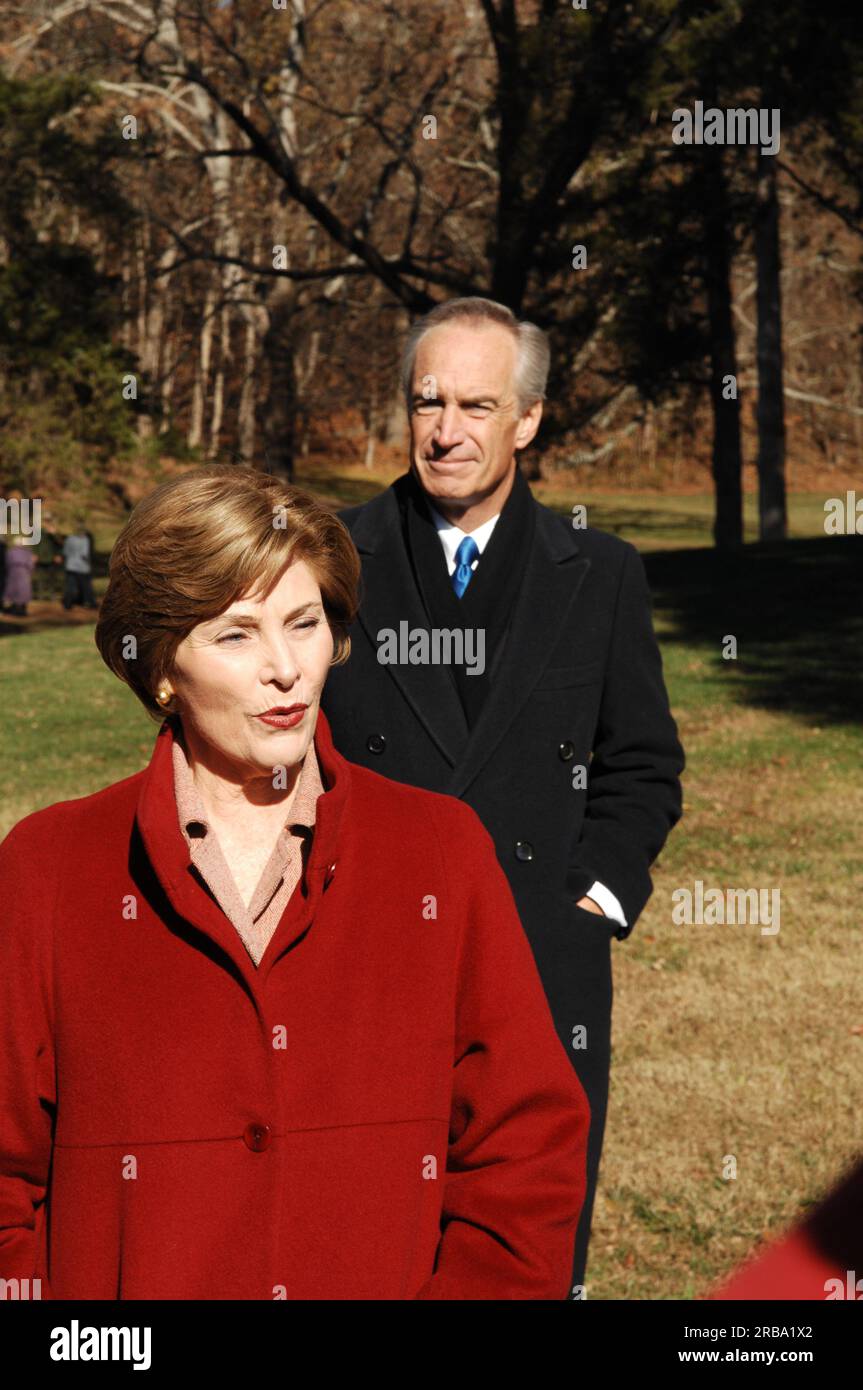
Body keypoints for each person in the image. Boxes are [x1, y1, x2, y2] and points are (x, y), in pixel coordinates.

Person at [0, 465, 590, 1301]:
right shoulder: (49, 866)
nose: (286, 668)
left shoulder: (438, 851)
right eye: (235, 634)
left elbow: (524, 1145)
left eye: (304, 623)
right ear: (161, 666)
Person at [320, 296, 686, 1296]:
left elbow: (642, 764)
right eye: (426, 400)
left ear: (526, 420)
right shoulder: (331, 559)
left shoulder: (599, 574)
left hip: (539, 972)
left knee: (525, 1252)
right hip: (361, 969)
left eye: (476, 405)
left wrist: (592, 903)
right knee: (365, 1251)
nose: (445, 430)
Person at [61, 521, 97, 609]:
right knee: (86, 586)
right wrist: (89, 563)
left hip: (70, 566)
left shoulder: (69, 539)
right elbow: (84, 554)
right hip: (82, 567)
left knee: (70, 586)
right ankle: (90, 602)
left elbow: (65, 552)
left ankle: (67, 604)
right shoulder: (85, 540)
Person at [1, 535, 37, 617]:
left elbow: (7, 563)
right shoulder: (27, 552)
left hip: (13, 572)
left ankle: (15, 609)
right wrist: (30, 572)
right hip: (24, 572)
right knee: (23, 591)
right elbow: (30, 564)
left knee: (13, 590)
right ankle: (22, 609)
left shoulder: (10, 552)